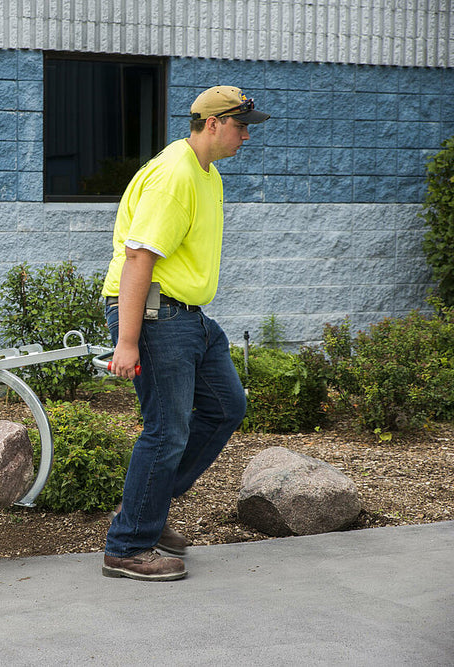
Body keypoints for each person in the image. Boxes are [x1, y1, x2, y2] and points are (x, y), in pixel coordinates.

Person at [100, 86, 269, 581]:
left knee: (225, 406)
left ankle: (141, 511)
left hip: (187, 315)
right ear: (213, 124)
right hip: (156, 316)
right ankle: (128, 547)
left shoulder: (206, 173)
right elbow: (138, 257)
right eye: (241, 126)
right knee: (167, 430)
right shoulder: (175, 175)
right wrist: (127, 341)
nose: (246, 135)